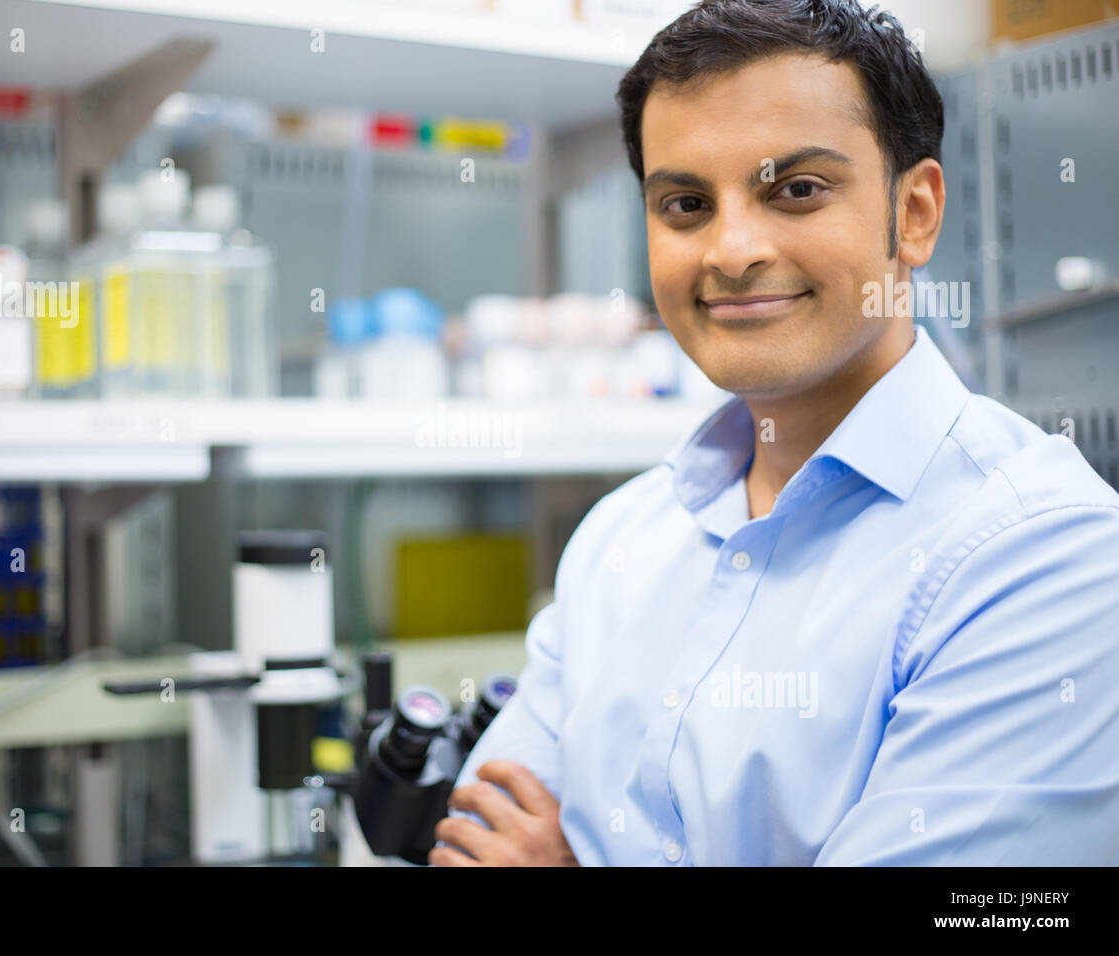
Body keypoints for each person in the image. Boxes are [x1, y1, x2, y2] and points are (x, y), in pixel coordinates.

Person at [429, 0, 1119, 866]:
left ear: (915, 212)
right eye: (684, 204)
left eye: (795, 189)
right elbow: (480, 840)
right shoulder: (621, 540)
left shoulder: (1044, 556)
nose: (731, 250)